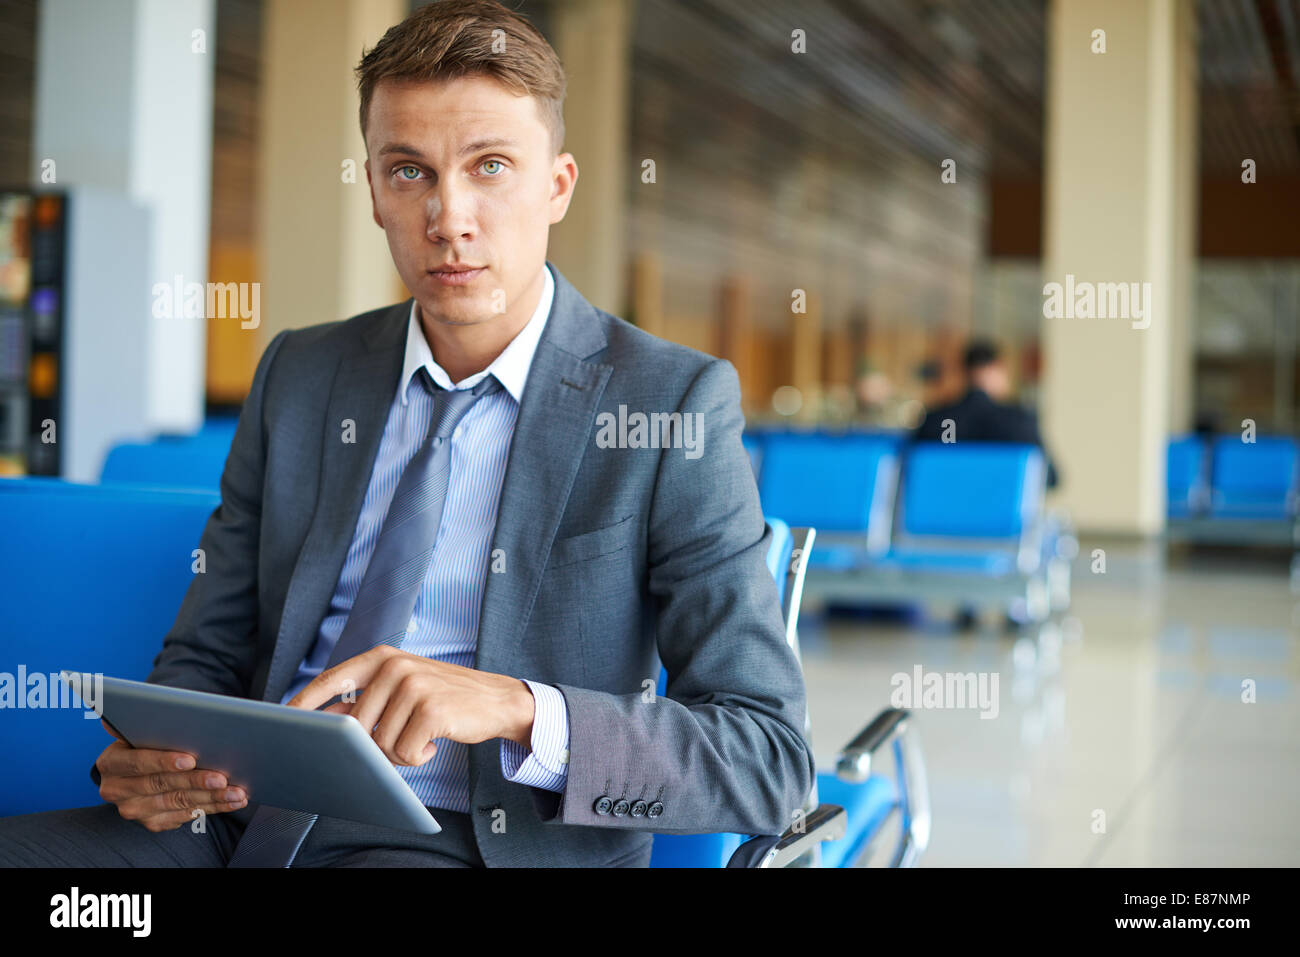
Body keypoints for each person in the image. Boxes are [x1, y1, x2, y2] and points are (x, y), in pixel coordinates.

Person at [0, 0, 813, 868]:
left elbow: (768, 761)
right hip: (239, 826)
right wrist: (158, 757)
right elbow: (206, 647)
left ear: (558, 186)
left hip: (473, 844)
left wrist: (517, 706)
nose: (449, 217)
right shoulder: (301, 375)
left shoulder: (671, 403)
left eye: (491, 166)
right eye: (410, 172)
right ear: (377, 192)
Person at [913, 338, 1060, 488]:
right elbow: (1050, 477)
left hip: (941, 508)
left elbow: (911, 472)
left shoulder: (934, 421)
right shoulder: (1019, 422)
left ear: (962, 373)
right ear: (998, 368)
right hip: (1003, 510)